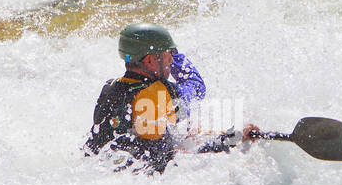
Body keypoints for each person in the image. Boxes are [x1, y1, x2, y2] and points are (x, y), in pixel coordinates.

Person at [85, 22, 258, 173]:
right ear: (150, 60)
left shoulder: (110, 88)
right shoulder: (158, 93)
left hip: (109, 172)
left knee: (188, 133)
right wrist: (235, 136)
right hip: (151, 181)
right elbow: (196, 87)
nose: (170, 62)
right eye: (168, 55)